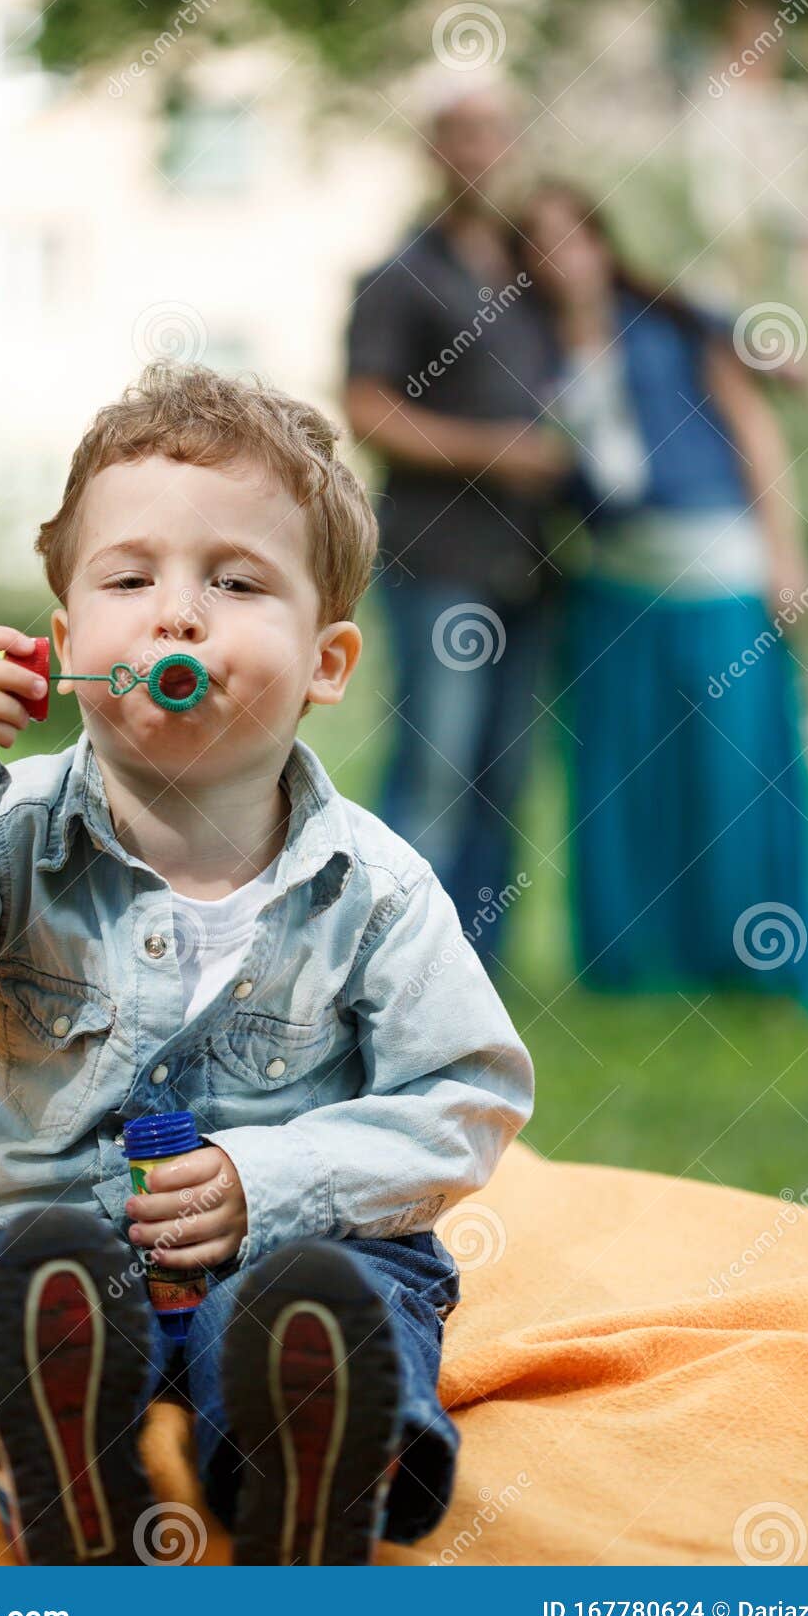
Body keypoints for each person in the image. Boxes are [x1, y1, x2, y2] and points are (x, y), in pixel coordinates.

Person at [0, 362, 534, 1565]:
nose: (176, 616)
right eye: (130, 579)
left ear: (327, 660)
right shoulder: (3, 833)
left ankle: (297, 1468)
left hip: (301, 1250)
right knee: (19, 1290)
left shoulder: (378, 884)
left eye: (234, 583)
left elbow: (468, 1095)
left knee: (342, 1308)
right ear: (63, 643)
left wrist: (271, 1176)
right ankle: (69, 1468)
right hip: (59, 1254)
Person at [516, 182, 808, 1012]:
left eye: (573, 237)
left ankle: (752, 958)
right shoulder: (525, 347)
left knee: (735, 777)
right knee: (627, 780)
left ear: (601, 243)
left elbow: (756, 433)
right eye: (539, 243)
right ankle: (636, 961)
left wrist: (784, 558)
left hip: (719, 580)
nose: (561, 258)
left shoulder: (673, 321)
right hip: (614, 591)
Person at [344, 86, 570, 963]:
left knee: (503, 775)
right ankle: (394, 962)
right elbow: (367, 410)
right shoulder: (398, 276)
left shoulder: (528, 278)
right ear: (432, 154)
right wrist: (495, 453)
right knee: (434, 768)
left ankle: (474, 972)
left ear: (513, 149)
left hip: (530, 565)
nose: (478, 153)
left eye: (492, 136)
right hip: (437, 562)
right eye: (460, 137)